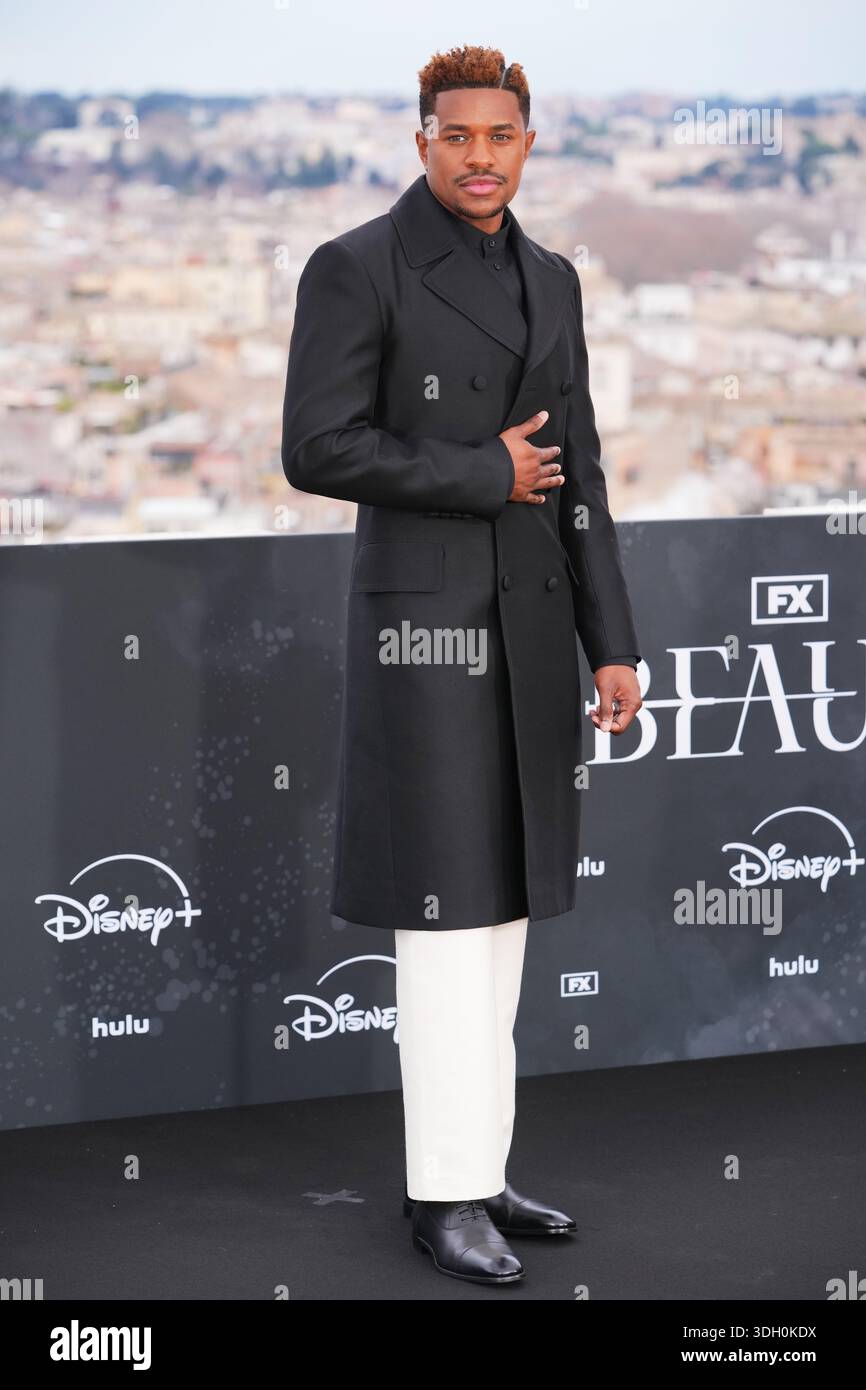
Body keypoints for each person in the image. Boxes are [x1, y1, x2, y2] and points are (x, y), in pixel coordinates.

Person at [281, 43, 643, 1286]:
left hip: (536, 631)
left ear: (528, 142)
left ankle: (475, 1169)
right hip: (424, 637)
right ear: (420, 139)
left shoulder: (552, 278)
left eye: (503, 135)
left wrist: (614, 644)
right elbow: (315, 446)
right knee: (444, 932)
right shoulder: (354, 266)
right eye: (457, 135)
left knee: (502, 933)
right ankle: (438, 1200)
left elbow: (580, 472)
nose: (480, 156)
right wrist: (480, 472)